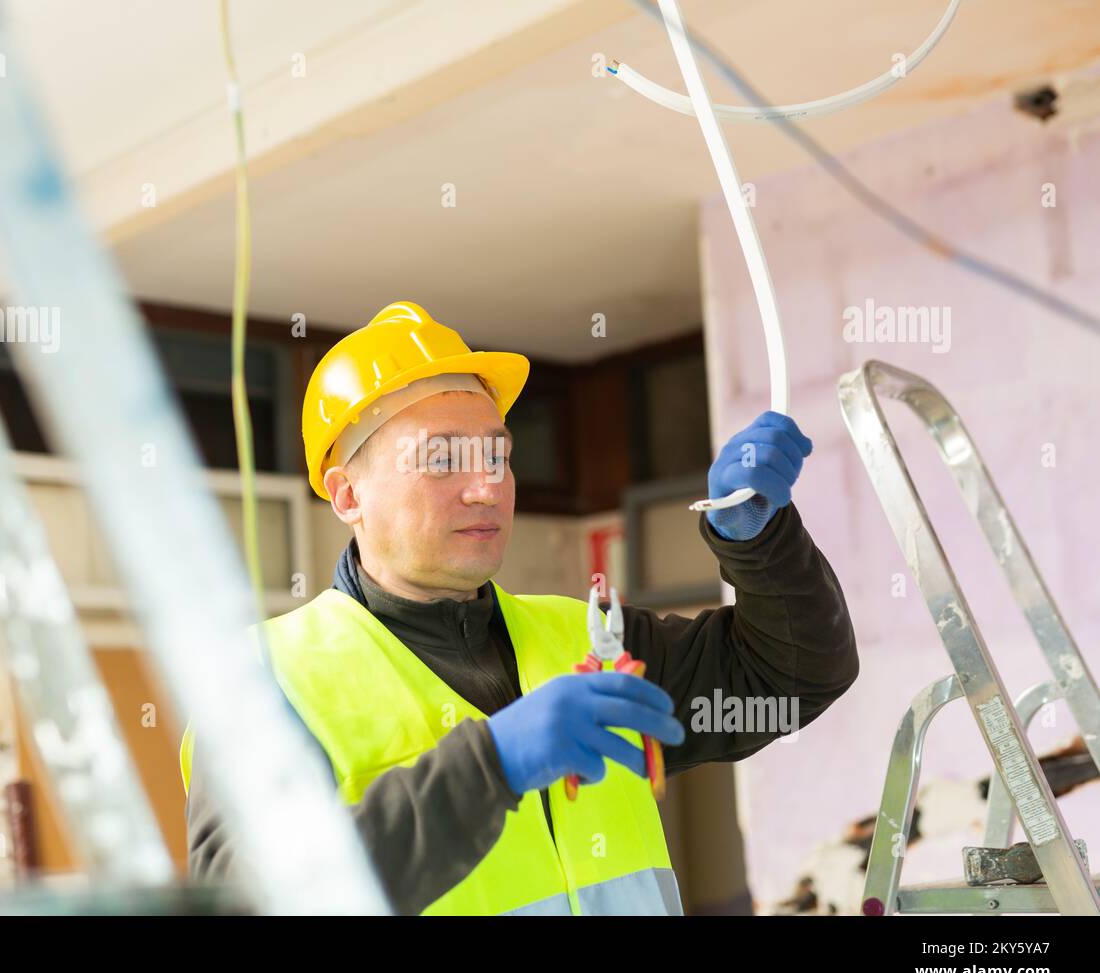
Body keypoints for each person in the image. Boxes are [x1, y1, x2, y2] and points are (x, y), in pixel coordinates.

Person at [185, 301, 859, 915]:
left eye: (497, 455)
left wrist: (755, 539)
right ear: (347, 495)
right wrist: (492, 766)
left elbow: (791, 678)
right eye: (442, 460)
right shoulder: (267, 683)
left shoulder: (592, 638)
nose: (487, 487)